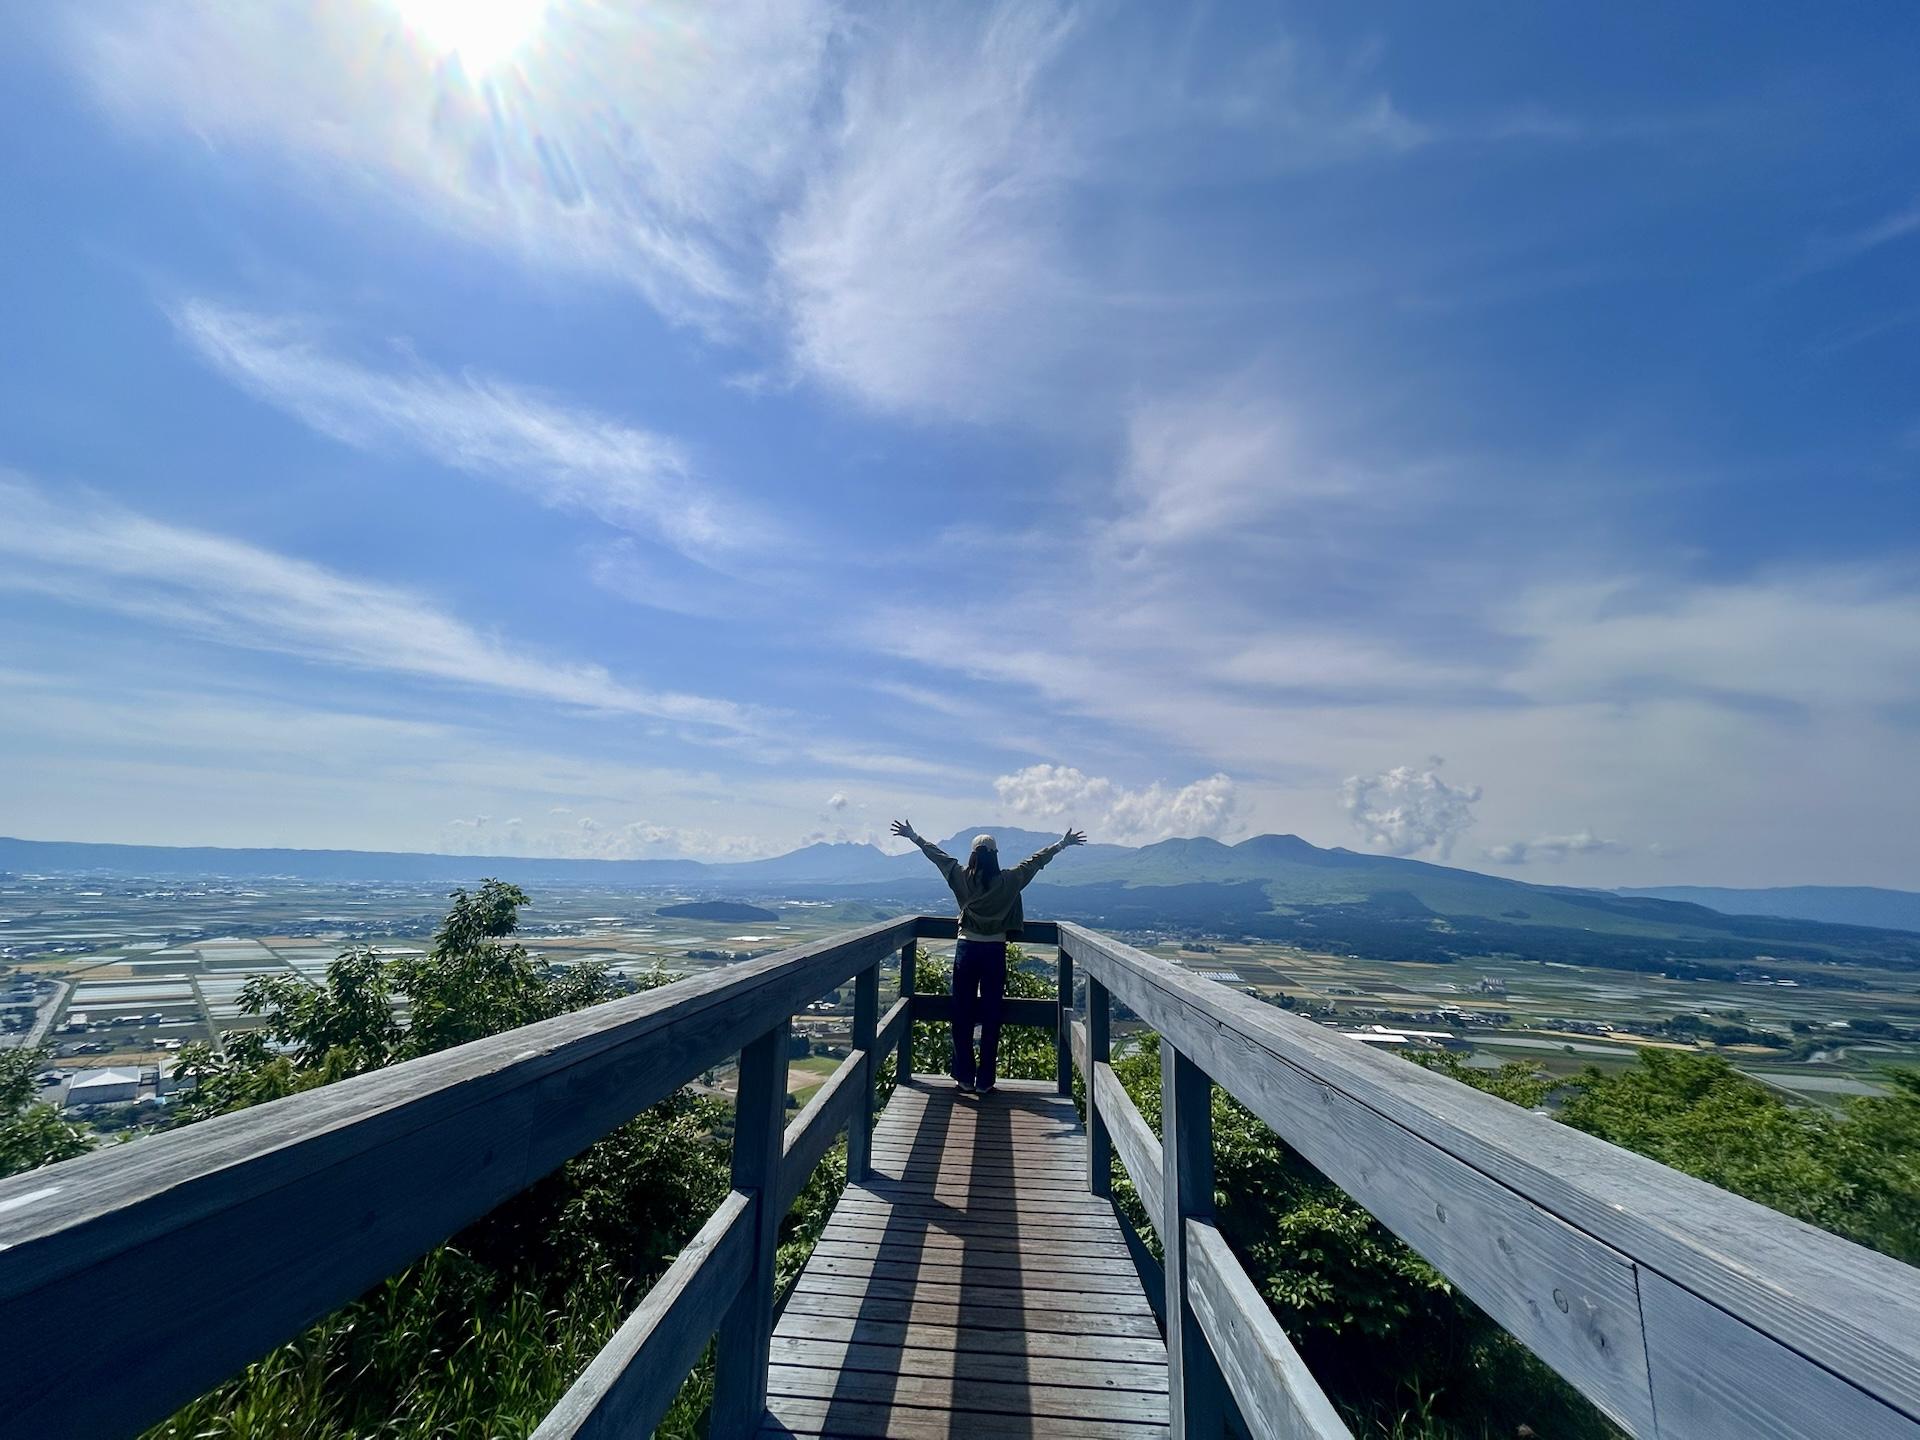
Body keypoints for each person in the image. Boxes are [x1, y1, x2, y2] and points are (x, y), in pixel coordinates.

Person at [891, 821, 1087, 1095]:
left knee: (962, 1014)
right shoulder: (1009, 880)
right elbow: (1036, 862)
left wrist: (913, 835)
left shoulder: (960, 876)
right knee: (991, 1014)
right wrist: (1062, 843)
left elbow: (937, 855)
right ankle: (985, 1081)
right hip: (994, 952)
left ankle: (964, 1077)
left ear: (972, 854)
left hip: (966, 950)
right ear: (995, 855)